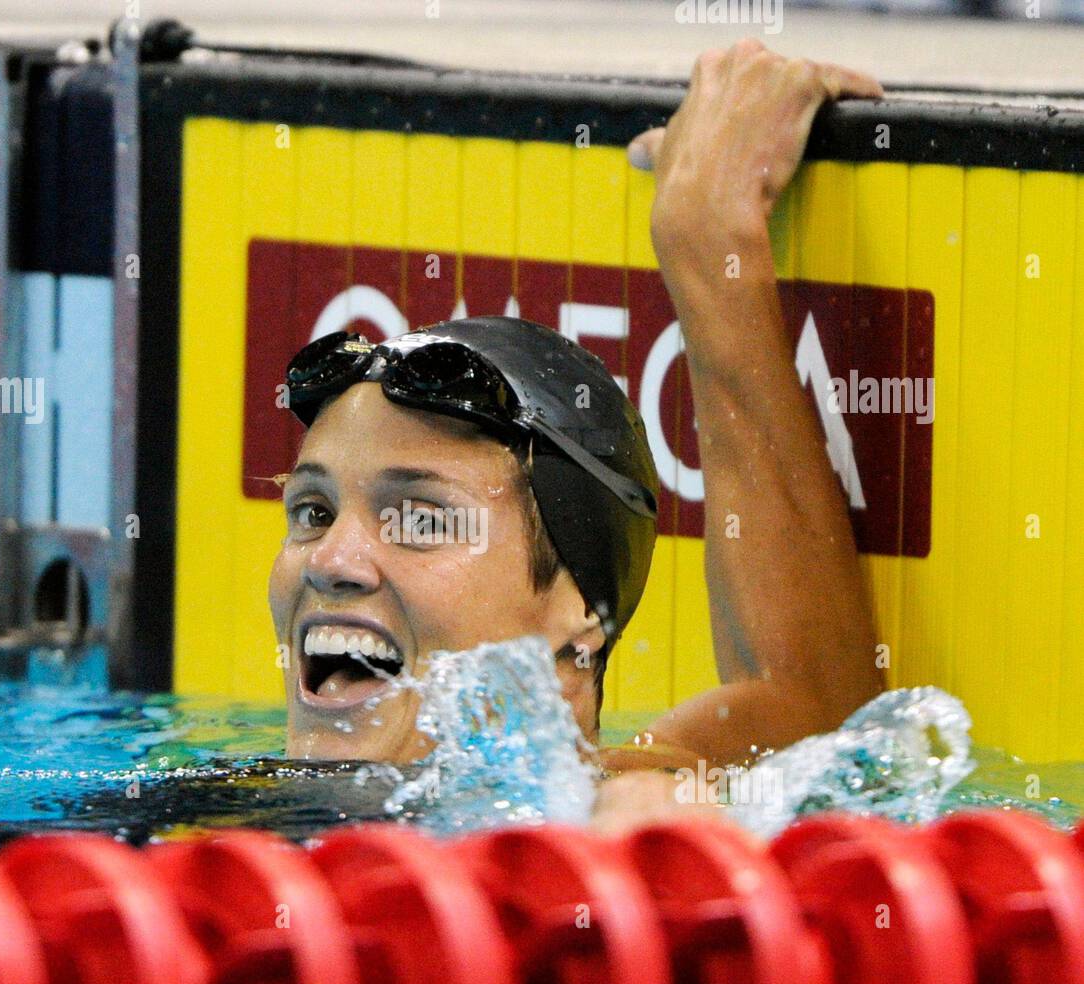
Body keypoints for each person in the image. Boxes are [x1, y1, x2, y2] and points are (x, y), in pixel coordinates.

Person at [268, 40, 887, 828]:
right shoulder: (199, 810)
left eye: (419, 520)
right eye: (314, 511)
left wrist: (707, 236)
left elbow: (821, 718)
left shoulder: (613, 818)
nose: (330, 562)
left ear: (576, 627)